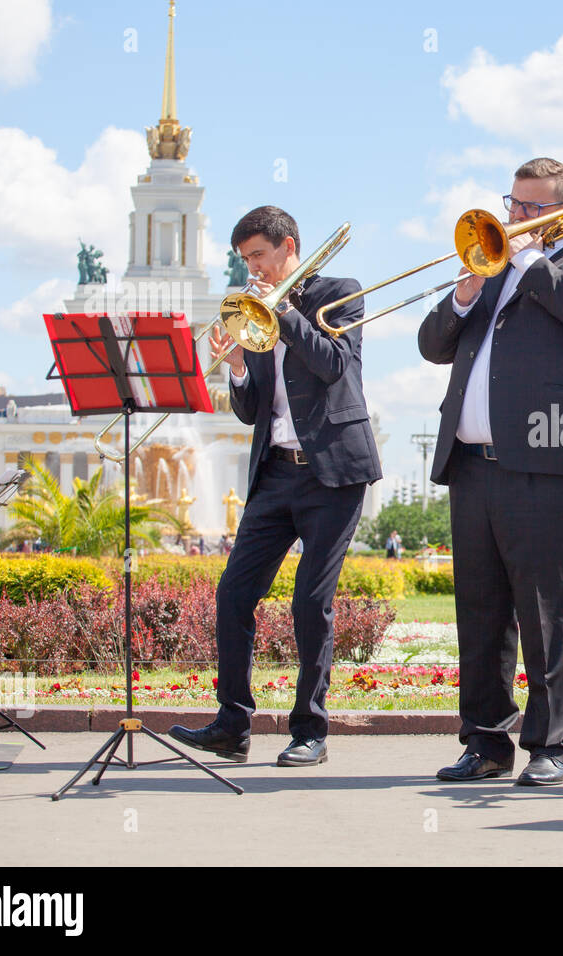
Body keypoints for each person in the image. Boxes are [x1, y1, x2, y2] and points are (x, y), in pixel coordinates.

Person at [418, 158, 563, 786]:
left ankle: (553, 745)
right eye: (515, 205)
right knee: (479, 613)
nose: (519, 219)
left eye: (534, 209)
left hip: (550, 461)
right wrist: (462, 296)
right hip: (473, 465)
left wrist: (534, 262)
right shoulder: (488, 267)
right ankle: (484, 742)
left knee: (548, 612)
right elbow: (432, 346)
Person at [170, 206, 381, 768]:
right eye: (244, 260)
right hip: (275, 472)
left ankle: (310, 730)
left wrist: (284, 311)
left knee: (311, 601)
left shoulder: (340, 291)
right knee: (234, 593)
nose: (251, 270)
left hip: (333, 472)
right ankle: (231, 724)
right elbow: (250, 411)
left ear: (289, 247)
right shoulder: (250, 312)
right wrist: (237, 365)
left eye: (258, 256)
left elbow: (337, 365)